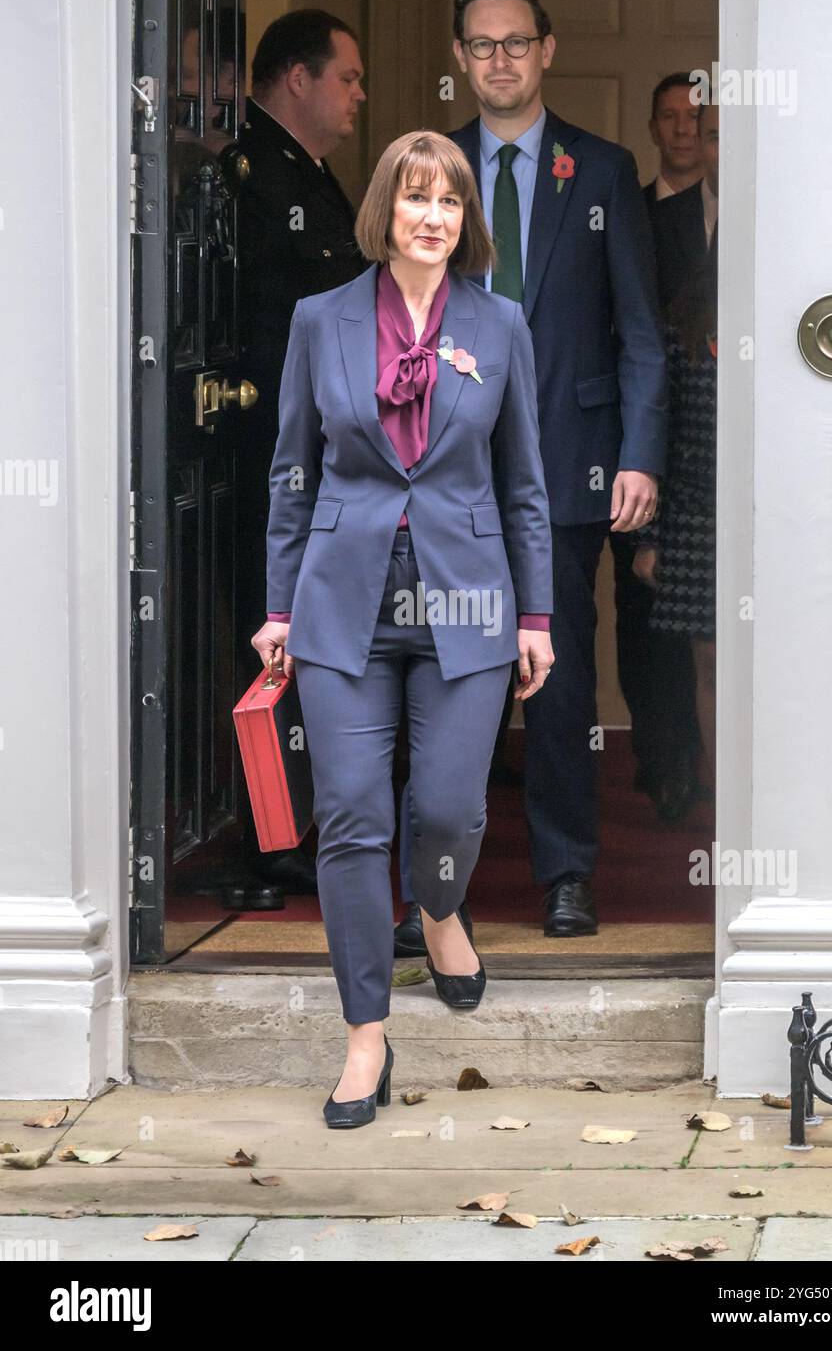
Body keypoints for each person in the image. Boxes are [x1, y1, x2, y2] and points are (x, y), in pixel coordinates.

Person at [251, 130, 554, 1127]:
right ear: (383, 209)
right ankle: (364, 1037)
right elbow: (292, 469)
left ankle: (435, 904)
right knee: (348, 814)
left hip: (466, 603)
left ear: (465, 222)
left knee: (445, 811)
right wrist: (279, 604)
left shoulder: (500, 324)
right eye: (415, 198)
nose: (432, 217)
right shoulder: (320, 320)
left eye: (450, 203)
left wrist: (536, 613)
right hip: (344, 601)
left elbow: (522, 487)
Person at [395, 0, 666, 949]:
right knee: (439, 678)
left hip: (571, 462)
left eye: (515, 42)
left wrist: (638, 455)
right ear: (458, 59)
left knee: (556, 679)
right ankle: (433, 893)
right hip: (444, 473)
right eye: (480, 45)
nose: (498, 60)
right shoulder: (429, 171)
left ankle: (564, 875)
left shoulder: (597, 171)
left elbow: (639, 332)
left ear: (545, 50)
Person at [231, 9, 368, 909]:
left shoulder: (312, 177)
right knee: (268, 636)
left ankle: (294, 818)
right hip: (265, 454)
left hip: (317, 452)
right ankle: (268, 836)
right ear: (297, 80)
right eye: (348, 77)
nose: (360, 93)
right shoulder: (248, 177)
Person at [632, 241, 719, 795]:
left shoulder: (793, 326)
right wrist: (650, 535)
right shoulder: (682, 331)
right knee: (711, 662)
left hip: (782, 518)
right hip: (695, 523)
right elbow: (658, 439)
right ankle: (722, 792)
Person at [650, 96, 719, 310]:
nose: (729, 151)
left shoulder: (784, 220)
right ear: (698, 142)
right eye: (715, 138)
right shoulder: (654, 219)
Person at [642, 72, 705, 207]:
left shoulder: (735, 209)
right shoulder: (629, 208)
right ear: (654, 130)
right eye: (669, 116)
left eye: (694, 116)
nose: (681, 129)